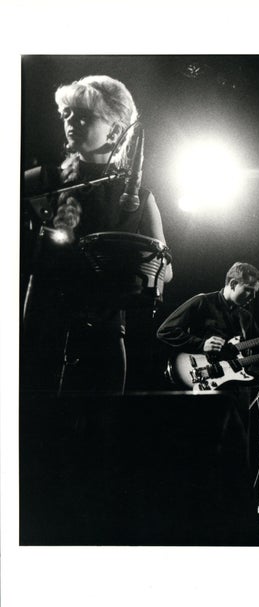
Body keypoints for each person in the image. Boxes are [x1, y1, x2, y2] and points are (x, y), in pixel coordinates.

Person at [21, 74, 172, 394]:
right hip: (42, 329)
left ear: (116, 130)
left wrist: (132, 262)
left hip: (103, 337)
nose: (71, 121)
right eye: (67, 114)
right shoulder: (38, 182)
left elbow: (166, 270)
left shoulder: (140, 198)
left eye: (84, 115)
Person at [156, 262, 259, 504]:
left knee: (237, 449)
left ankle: (232, 506)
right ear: (232, 283)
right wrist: (199, 343)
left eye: (255, 291)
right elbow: (165, 331)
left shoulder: (245, 317)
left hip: (236, 391)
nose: (252, 296)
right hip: (203, 386)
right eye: (248, 289)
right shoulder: (202, 302)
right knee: (202, 446)